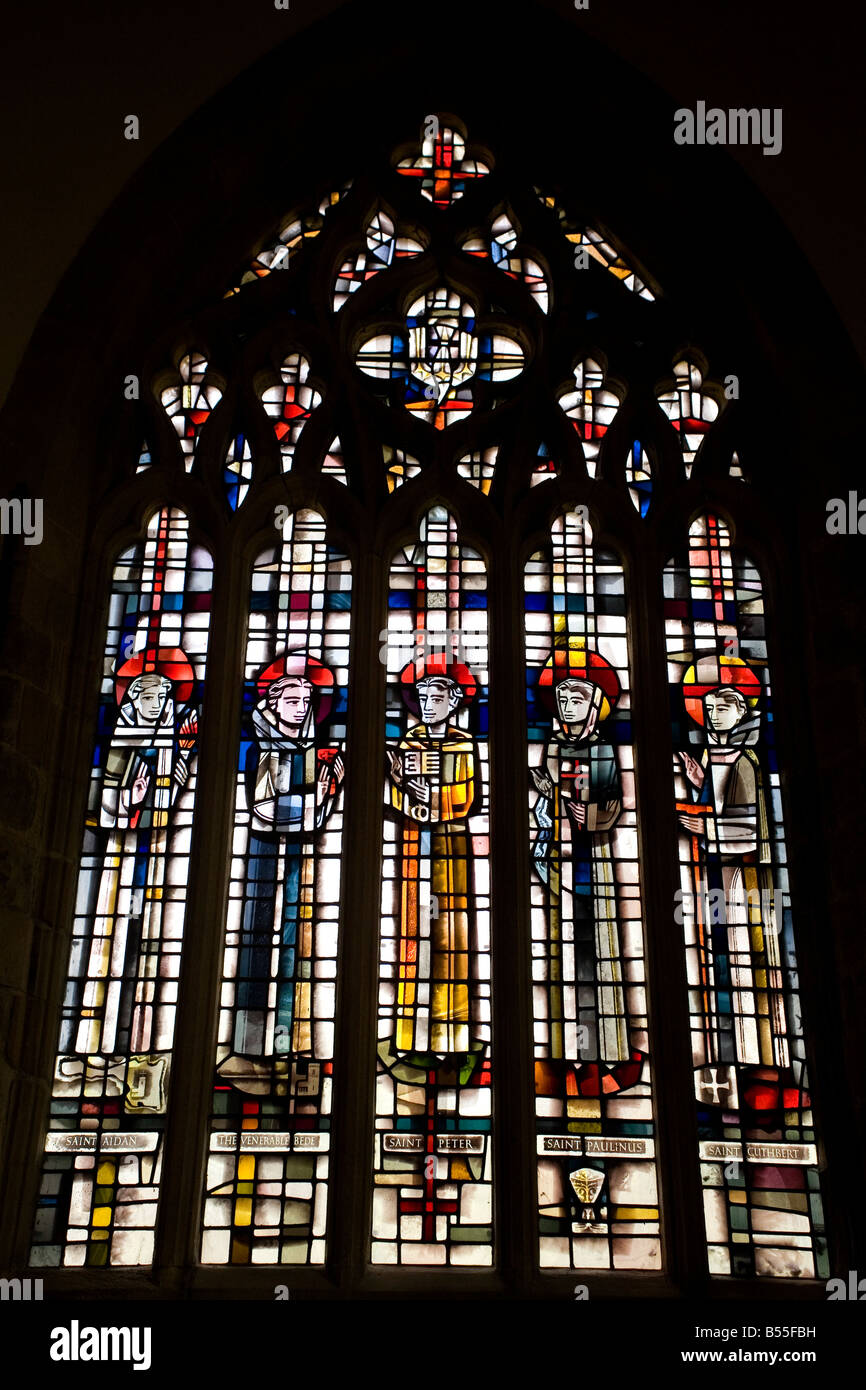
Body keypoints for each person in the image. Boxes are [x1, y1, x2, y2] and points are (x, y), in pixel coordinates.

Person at [531, 638, 643, 1094]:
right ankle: (565, 1051)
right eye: (562, 698)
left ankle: (607, 1050)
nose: (568, 704)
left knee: (599, 951)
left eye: (576, 697)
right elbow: (547, 804)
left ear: (596, 704)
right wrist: (550, 799)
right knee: (563, 951)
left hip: (592, 863)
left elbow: (612, 802)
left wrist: (590, 816)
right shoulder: (553, 748)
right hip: (561, 859)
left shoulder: (601, 750)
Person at [677, 654, 788, 1074]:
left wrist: (702, 827)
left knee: (750, 958)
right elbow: (720, 805)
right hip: (716, 873)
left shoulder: (745, 760)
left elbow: (746, 827)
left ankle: (761, 1059)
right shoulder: (713, 757)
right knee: (719, 958)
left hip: (746, 878)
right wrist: (701, 785)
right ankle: (730, 1054)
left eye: (722, 706)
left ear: (742, 711)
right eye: (708, 707)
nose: (712, 713)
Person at [387, 657, 480, 1063]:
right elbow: (392, 798)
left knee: (450, 936)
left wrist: (435, 797)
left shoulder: (463, 743)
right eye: (422, 696)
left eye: (437, 696)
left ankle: (451, 1037)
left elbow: (468, 797)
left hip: (450, 843)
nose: (428, 703)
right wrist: (403, 789)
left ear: (454, 700)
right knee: (412, 933)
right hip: (412, 841)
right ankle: (410, 1035)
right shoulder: (408, 743)